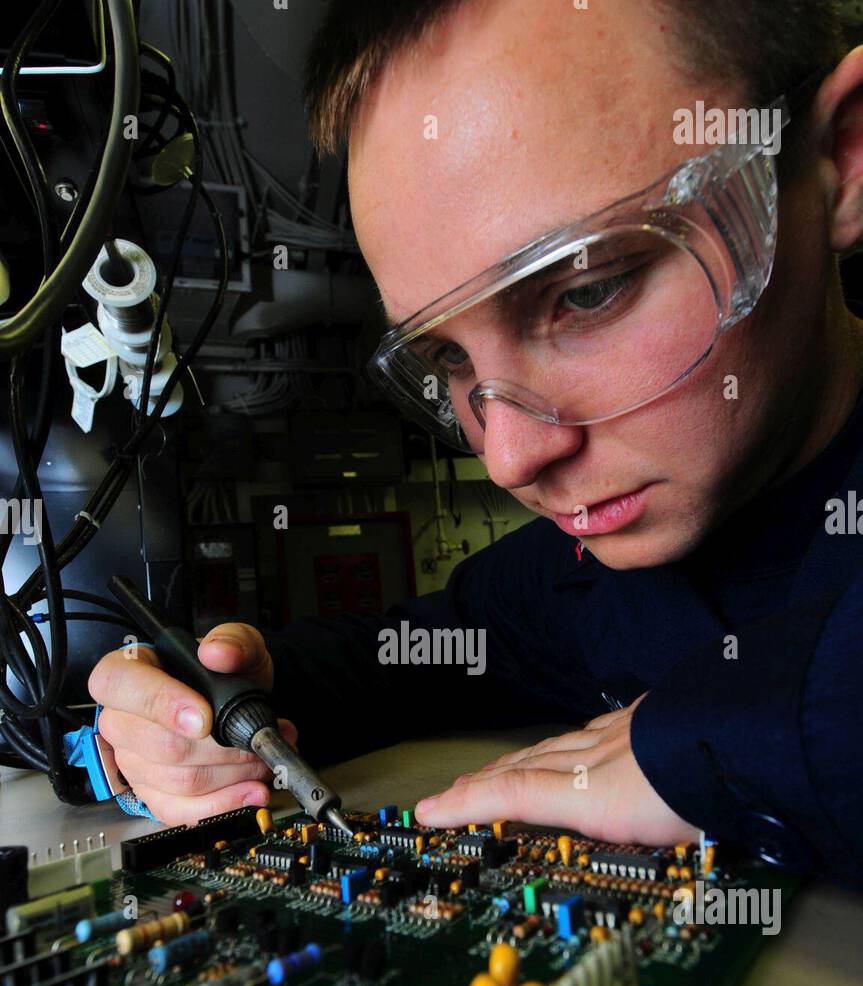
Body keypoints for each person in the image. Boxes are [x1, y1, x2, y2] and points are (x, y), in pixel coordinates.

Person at [89, 0, 863, 888]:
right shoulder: (572, 586)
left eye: (587, 292)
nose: (507, 457)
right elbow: (401, 657)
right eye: (449, 358)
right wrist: (194, 715)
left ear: (838, 157)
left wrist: (716, 736)